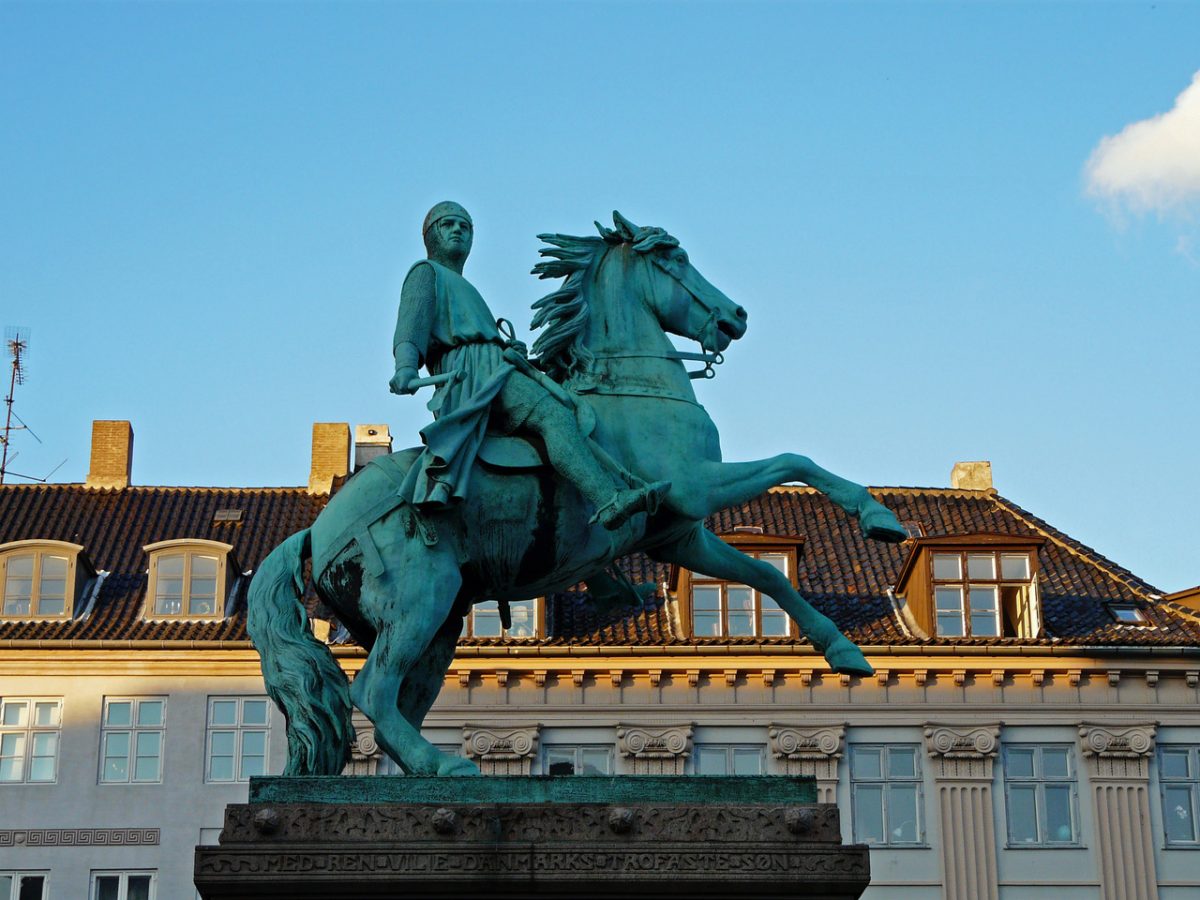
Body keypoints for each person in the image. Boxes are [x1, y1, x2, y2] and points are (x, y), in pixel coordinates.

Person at [390, 201, 668, 530]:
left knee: (570, 404)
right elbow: (411, 325)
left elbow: (479, 335)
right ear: (430, 235)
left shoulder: (467, 287)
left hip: (495, 367)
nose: (457, 231)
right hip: (473, 376)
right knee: (554, 416)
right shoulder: (426, 273)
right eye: (448, 224)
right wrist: (406, 367)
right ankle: (608, 500)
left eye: (464, 227)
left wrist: (506, 348)